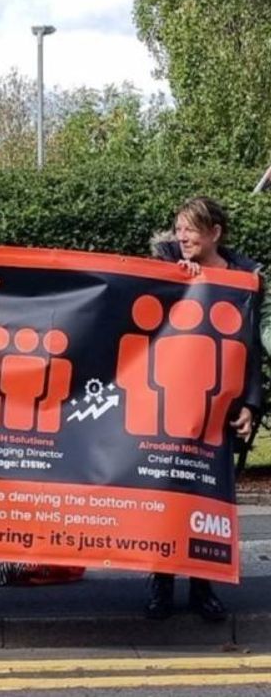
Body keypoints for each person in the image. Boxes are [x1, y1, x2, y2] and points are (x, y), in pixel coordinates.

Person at [145, 196, 261, 621]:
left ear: (215, 233)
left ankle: (202, 587)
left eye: (191, 229)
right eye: (179, 228)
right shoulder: (166, 265)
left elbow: (249, 345)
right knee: (166, 491)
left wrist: (251, 403)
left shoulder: (245, 279)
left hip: (218, 407)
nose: (182, 237)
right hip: (170, 403)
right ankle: (161, 584)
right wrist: (173, 276)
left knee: (208, 496)